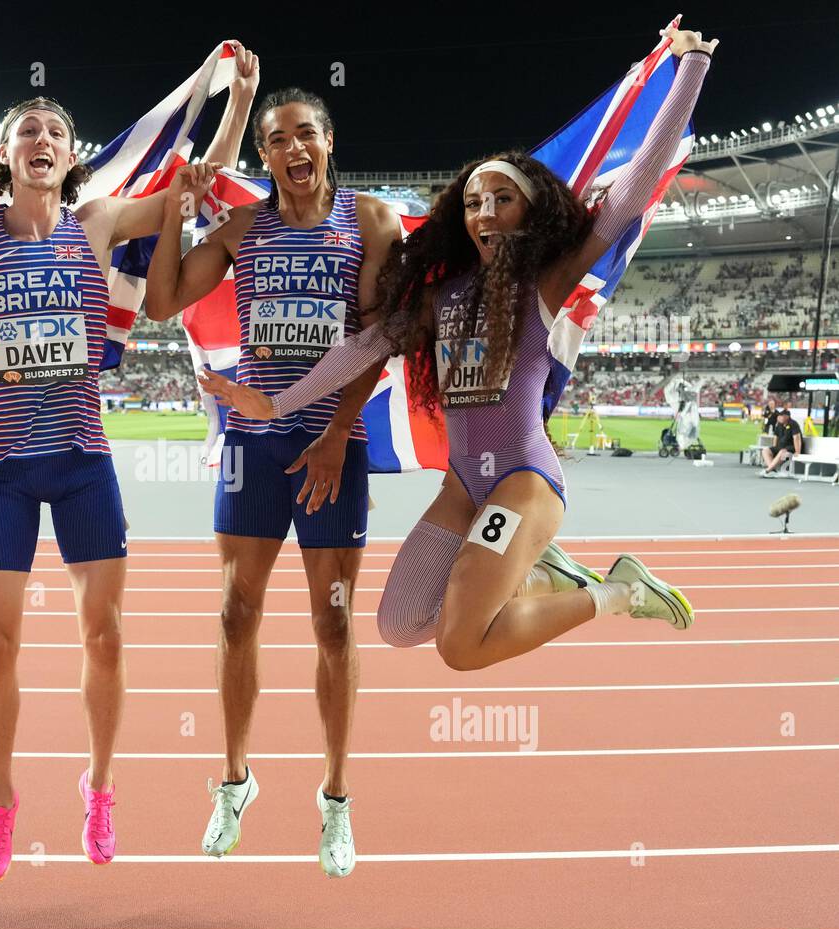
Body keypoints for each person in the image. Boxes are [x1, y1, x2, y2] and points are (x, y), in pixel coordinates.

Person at [200, 25, 717, 679]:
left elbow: (636, 185)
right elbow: (360, 347)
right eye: (474, 202)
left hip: (521, 487)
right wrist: (275, 401)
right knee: (399, 624)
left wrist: (691, 65)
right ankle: (537, 572)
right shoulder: (438, 300)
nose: (486, 212)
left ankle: (618, 592)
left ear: (533, 212)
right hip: (463, 487)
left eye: (503, 199)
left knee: (460, 643)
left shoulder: (546, 284)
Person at [0, 45, 260, 881]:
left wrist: (240, 102)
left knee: (103, 637)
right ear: (6, 158)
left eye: (55, 131)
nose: (41, 136)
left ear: (70, 157)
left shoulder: (98, 222)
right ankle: (0, 802)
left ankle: (99, 787)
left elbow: (195, 185)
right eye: (26, 129)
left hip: (81, 460)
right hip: (0, 466)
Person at [145, 88, 401, 877]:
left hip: (333, 445)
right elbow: (160, 302)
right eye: (276, 140)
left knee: (333, 626)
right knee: (234, 612)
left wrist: (332, 434)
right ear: (262, 156)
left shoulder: (369, 222)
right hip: (250, 444)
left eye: (305, 135)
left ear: (328, 142)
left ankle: (335, 799)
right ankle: (233, 780)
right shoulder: (243, 227)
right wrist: (169, 210)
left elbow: (380, 334)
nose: (292, 150)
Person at [760, 407, 802, 477]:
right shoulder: (779, 424)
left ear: (786, 417)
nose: (779, 417)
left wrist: (797, 451)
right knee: (765, 451)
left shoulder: (793, 424)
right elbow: (776, 437)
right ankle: (773, 470)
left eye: (781, 416)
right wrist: (774, 448)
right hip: (781, 447)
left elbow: (797, 438)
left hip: (791, 448)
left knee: (782, 452)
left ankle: (767, 471)